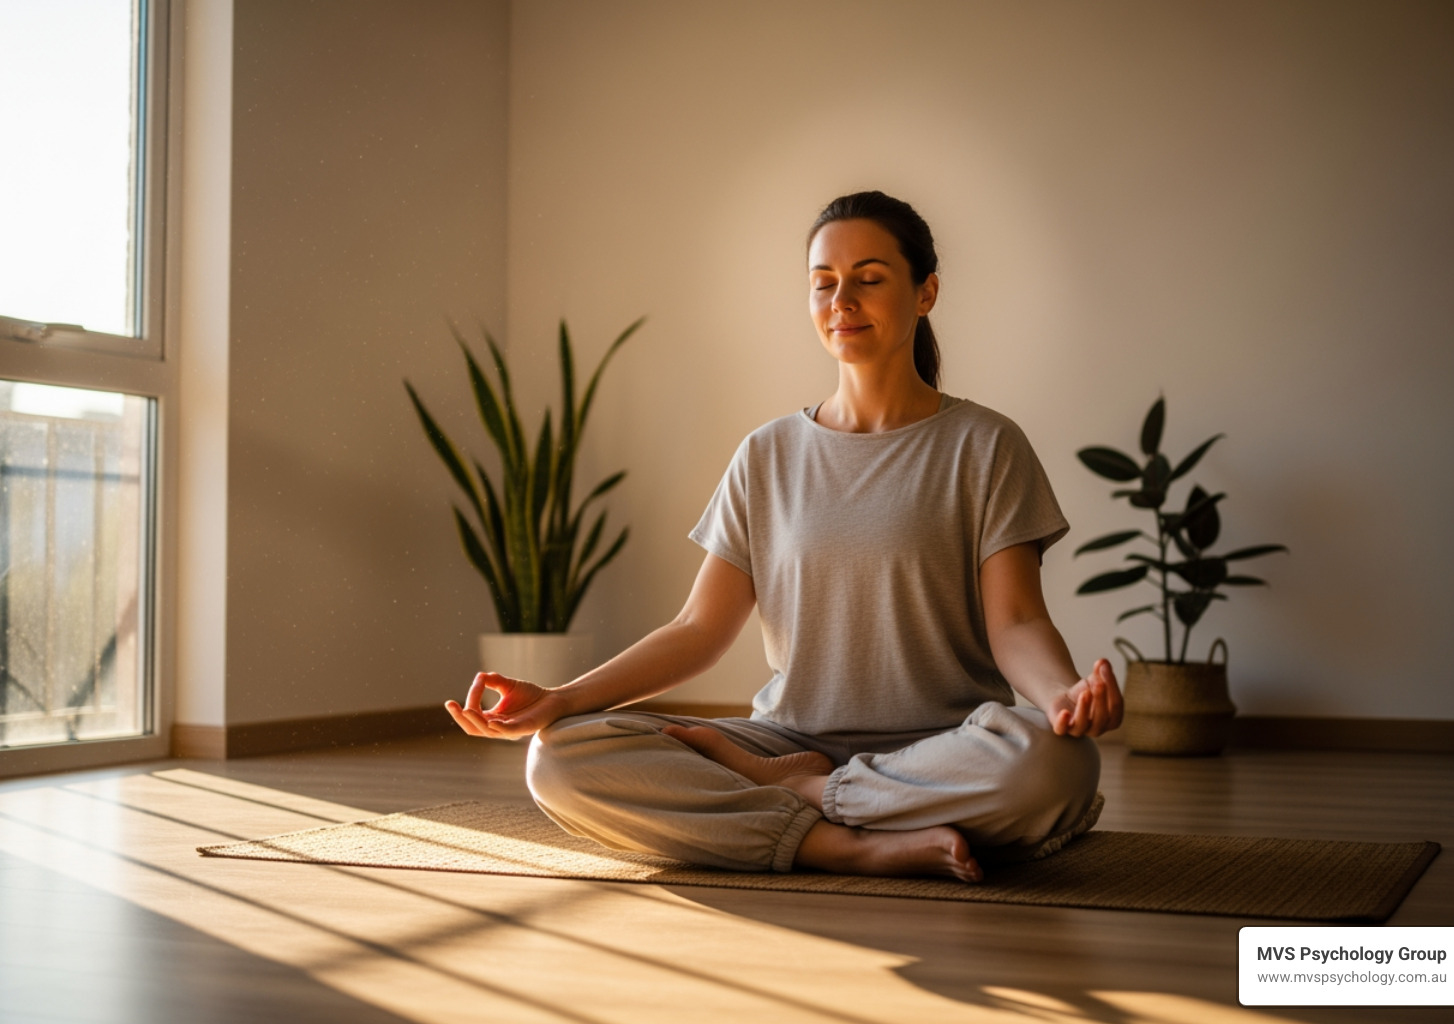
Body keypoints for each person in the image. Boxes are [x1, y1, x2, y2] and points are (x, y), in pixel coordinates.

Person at [446, 191, 1122, 883]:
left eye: (869, 278)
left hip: (944, 746)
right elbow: (696, 630)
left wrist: (1062, 695)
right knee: (561, 757)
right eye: (823, 283)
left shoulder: (986, 445)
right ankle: (842, 843)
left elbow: (1015, 622)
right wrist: (562, 700)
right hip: (784, 738)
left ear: (926, 293)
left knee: (1057, 760)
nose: (842, 300)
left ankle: (808, 797)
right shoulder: (766, 454)